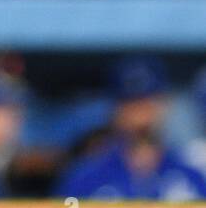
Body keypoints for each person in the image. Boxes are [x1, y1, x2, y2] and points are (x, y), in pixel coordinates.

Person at [58, 58, 206, 200]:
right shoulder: (85, 179)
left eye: (148, 101)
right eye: (131, 103)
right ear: (115, 109)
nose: (141, 114)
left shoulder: (191, 176)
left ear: (165, 104)